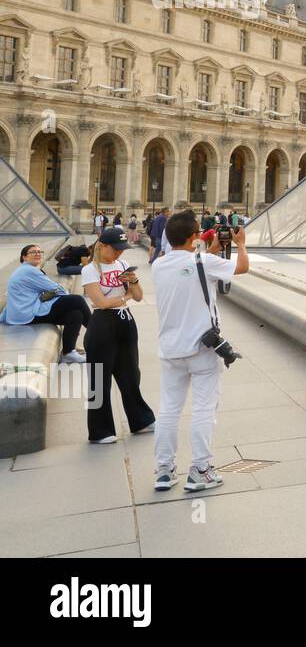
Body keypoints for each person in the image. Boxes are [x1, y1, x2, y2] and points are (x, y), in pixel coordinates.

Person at [151, 210, 248, 492]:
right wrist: (240, 244)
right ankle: (201, 469)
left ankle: (164, 470)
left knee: (168, 410)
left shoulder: (159, 265)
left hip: (170, 349)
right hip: (202, 349)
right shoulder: (202, 261)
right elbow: (242, 268)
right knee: (204, 409)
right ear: (194, 237)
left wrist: (211, 249)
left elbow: (190, 269)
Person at [81, 227, 154, 443]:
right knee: (99, 380)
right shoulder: (90, 270)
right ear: (102, 246)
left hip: (126, 322)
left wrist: (133, 283)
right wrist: (125, 297)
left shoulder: (122, 265)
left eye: (122, 249)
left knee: (131, 374)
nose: (119, 254)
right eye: (116, 249)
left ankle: (140, 420)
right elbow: (101, 304)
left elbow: (139, 297)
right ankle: (100, 430)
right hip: (102, 325)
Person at [0, 244, 93, 364]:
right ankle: (98, 334)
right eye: (33, 252)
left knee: (75, 315)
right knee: (77, 300)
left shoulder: (25, 269)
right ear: (24, 257)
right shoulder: (29, 270)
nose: (38, 254)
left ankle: (68, 352)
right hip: (28, 313)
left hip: (24, 311)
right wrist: (63, 298)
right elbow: (56, 288)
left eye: (40, 251)